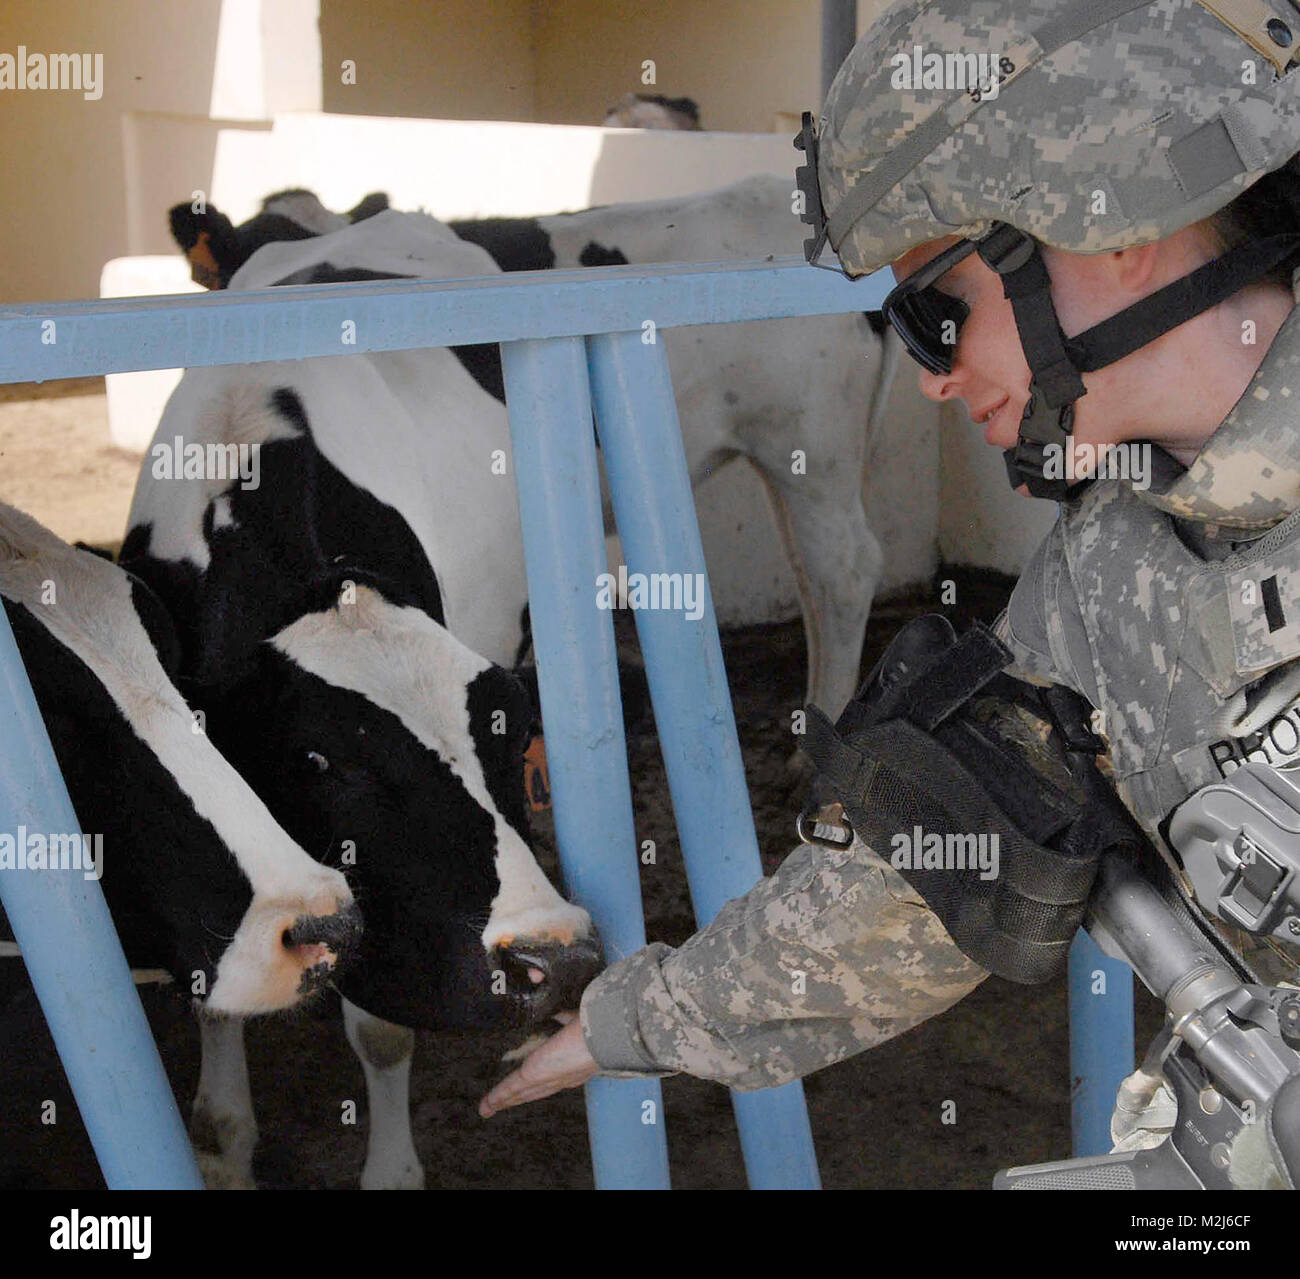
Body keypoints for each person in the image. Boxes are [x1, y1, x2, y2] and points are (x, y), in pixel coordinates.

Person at [479, 0, 1300, 1134]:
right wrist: (641, 1023)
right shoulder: (1106, 571)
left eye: (935, 312)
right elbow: (925, 871)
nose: (928, 375)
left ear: (1109, 225)